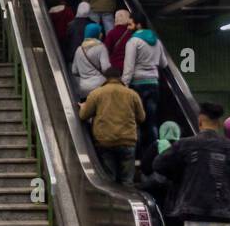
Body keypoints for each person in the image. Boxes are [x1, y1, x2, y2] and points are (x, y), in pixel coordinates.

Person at [78, 67, 145, 183]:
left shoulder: (96, 93)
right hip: (127, 141)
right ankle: (129, 198)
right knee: (127, 180)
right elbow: (142, 117)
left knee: (109, 179)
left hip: (105, 141)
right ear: (120, 78)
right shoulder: (132, 94)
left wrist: (83, 107)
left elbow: (83, 115)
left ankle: (112, 199)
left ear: (106, 78)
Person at [122, 17, 167, 151]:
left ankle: (138, 152)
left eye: (130, 23)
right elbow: (164, 63)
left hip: (137, 84)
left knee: (137, 120)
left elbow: (129, 65)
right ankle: (154, 151)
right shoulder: (157, 41)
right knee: (152, 121)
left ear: (138, 24)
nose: (128, 27)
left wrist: (124, 83)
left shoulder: (133, 41)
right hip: (153, 83)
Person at [71, 23, 112, 101]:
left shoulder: (79, 50)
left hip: (84, 89)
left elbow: (74, 70)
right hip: (100, 86)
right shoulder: (100, 47)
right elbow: (105, 68)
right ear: (97, 34)